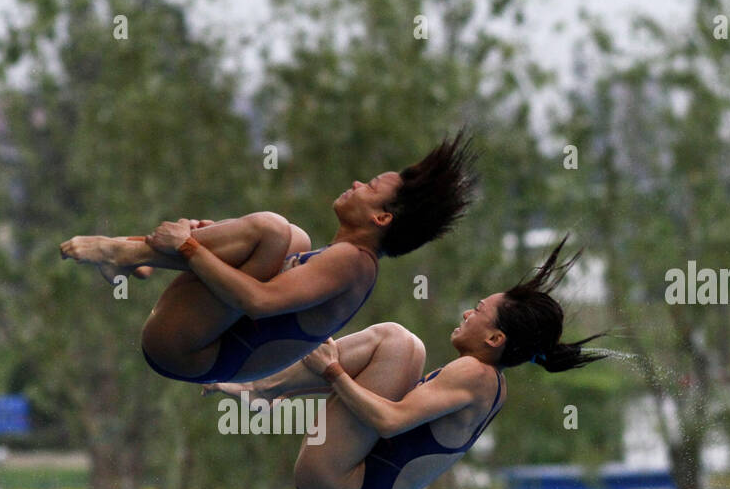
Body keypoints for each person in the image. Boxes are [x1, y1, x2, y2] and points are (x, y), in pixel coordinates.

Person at [207, 237, 607, 489]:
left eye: (478, 310)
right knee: (403, 346)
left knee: (399, 342)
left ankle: (260, 386)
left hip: (338, 481)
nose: (467, 312)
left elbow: (391, 421)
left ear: (495, 337)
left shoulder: (474, 374)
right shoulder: (492, 383)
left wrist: (332, 372)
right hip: (350, 487)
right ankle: (265, 389)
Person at [58, 132, 478, 384]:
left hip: (190, 351)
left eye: (368, 186)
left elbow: (257, 302)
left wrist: (190, 246)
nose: (355, 183)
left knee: (274, 230)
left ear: (381, 216)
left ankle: (122, 252)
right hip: (207, 345)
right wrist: (209, 239)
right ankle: (130, 257)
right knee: (289, 237)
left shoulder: (352, 262)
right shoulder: (347, 259)